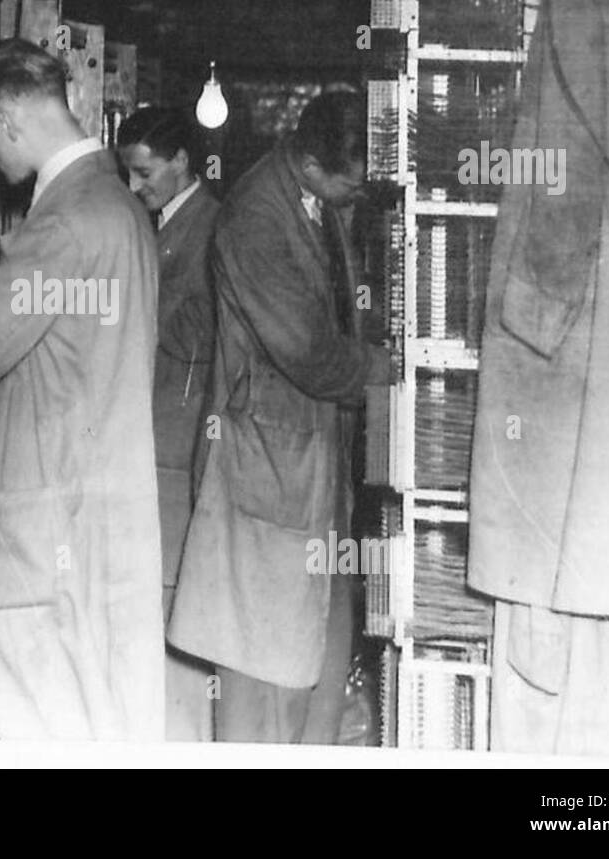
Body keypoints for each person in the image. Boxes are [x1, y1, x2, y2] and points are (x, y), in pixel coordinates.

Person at [0, 38, 164, 740]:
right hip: (84, 522)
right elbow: (58, 333)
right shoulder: (112, 206)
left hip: (39, 543)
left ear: (9, 120)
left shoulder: (63, 223)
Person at [167, 90, 392, 743]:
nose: (360, 196)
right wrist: (388, 370)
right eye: (353, 184)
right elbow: (309, 353)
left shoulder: (315, 200)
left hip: (310, 461)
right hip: (266, 465)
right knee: (264, 672)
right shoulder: (256, 218)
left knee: (312, 655)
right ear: (312, 165)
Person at [117, 106, 218, 741]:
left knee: (171, 599)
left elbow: (183, 332)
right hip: (156, 440)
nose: (134, 187)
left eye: (144, 172)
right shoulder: (166, 224)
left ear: (182, 161)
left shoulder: (208, 227)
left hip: (175, 446)